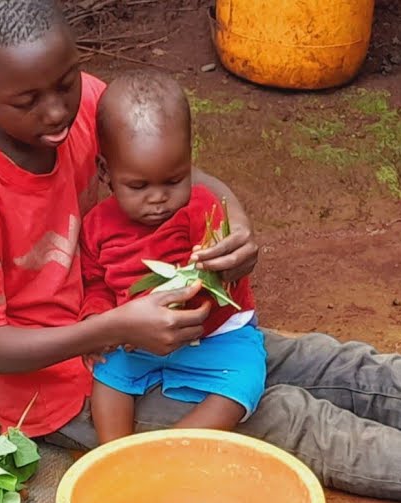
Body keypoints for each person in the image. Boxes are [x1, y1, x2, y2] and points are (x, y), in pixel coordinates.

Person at [0, 0, 401, 503]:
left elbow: (176, 171)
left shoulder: (86, 104)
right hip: (72, 387)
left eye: (67, 83)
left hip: (168, 328)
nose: (58, 111)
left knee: (344, 366)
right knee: (297, 420)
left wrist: (236, 224)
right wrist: (117, 326)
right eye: (29, 100)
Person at [81, 70, 265, 442]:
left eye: (173, 180)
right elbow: (96, 282)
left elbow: (224, 275)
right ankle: (112, 454)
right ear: (105, 172)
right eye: (138, 186)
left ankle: (171, 448)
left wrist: (208, 275)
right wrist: (99, 320)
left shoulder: (203, 209)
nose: (158, 198)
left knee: (244, 382)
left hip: (213, 337)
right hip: (136, 342)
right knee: (107, 379)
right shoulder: (97, 225)